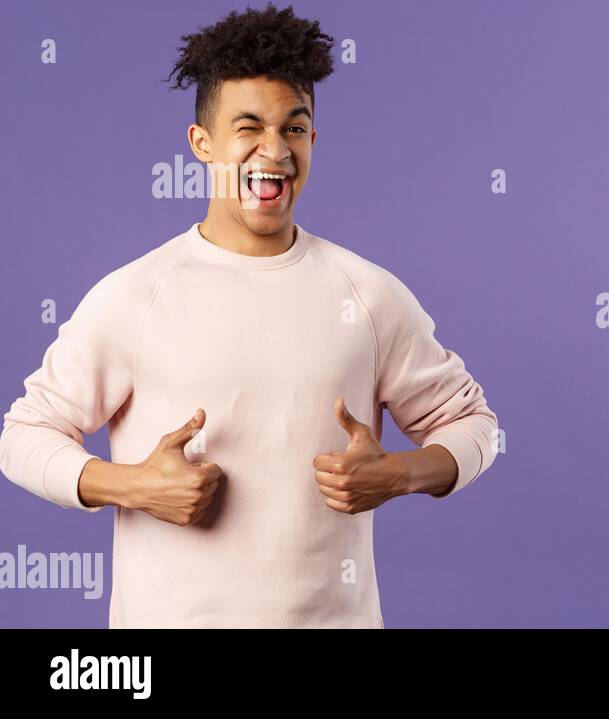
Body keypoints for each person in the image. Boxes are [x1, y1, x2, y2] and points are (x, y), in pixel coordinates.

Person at [0, 3, 498, 628]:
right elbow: (21, 436)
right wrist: (129, 485)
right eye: (248, 128)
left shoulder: (368, 296)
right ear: (201, 144)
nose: (274, 151)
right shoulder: (136, 296)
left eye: (294, 128)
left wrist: (399, 474)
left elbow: (474, 426)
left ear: (313, 140)